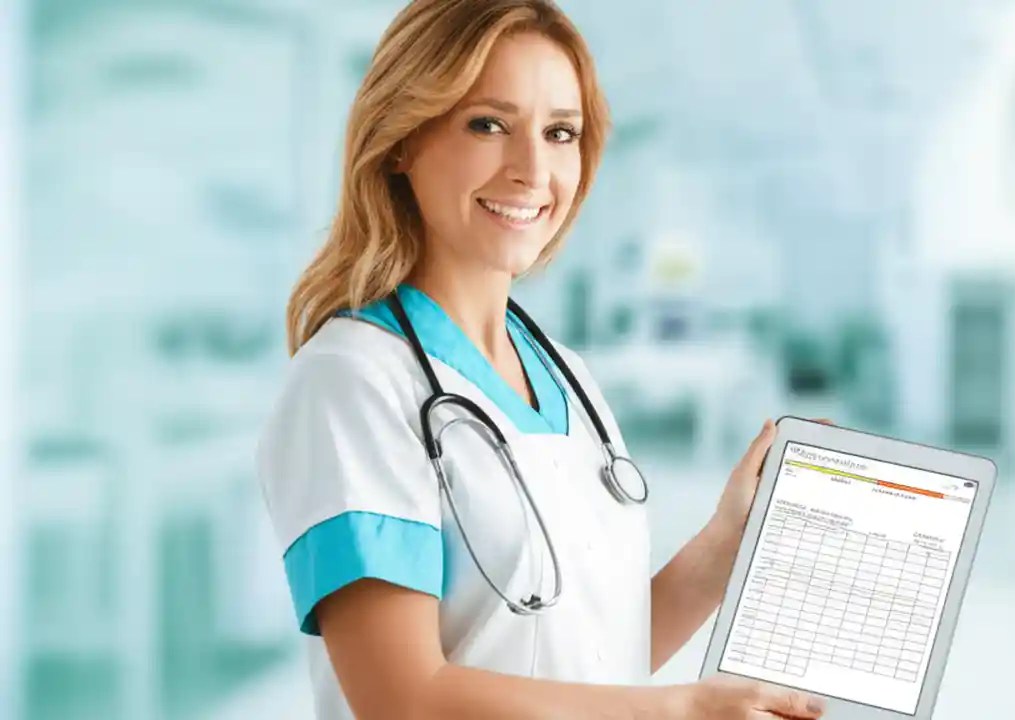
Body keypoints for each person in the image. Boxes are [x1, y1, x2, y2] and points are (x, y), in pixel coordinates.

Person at [256, 1, 828, 717]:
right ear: (402, 136)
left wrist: (720, 552)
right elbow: (402, 699)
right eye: (489, 124)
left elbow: (588, 659)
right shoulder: (351, 382)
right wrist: (680, 711)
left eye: (561, 133)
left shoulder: (566, 377)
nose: (533, 169)